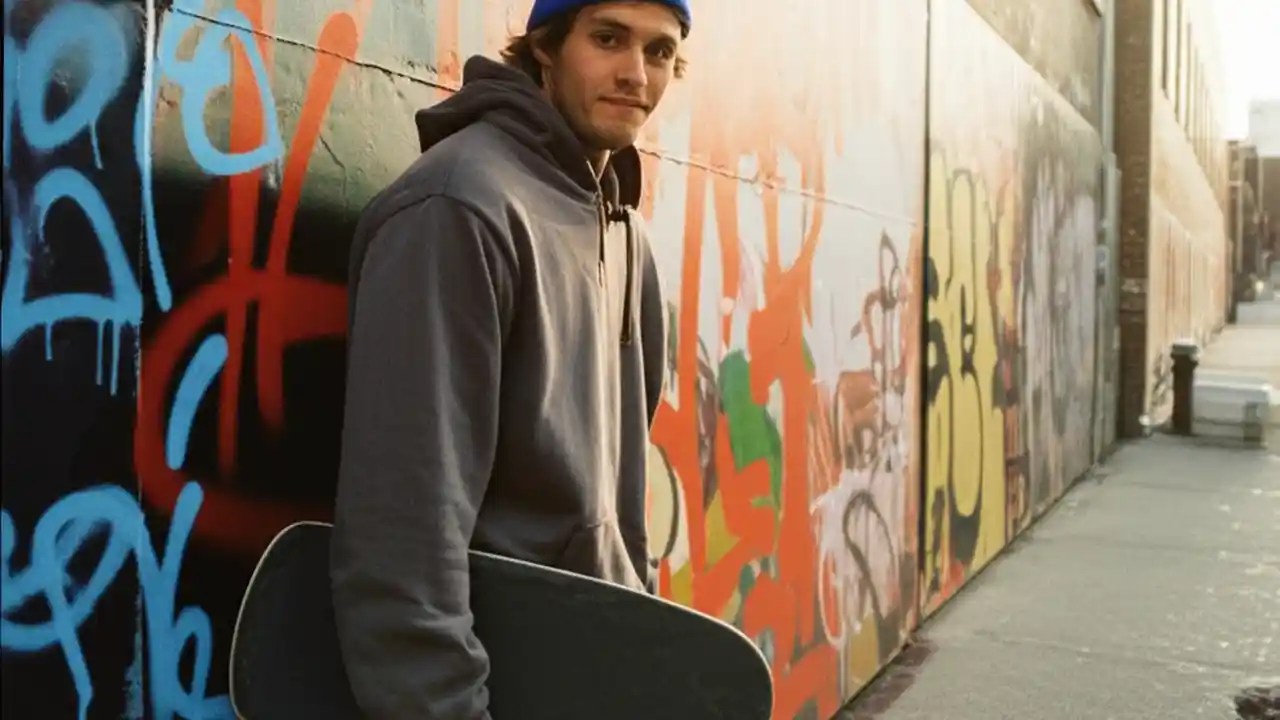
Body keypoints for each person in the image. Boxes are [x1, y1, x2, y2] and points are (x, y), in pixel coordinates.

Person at [329, 0, 691, 717]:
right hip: (495, 687)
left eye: (659, 52)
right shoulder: (458, 209)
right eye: (609, 39)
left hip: (592, 672)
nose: (634, 75)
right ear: (547, 48)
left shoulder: (625, 235)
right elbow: (402, 532)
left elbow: (616, 506)